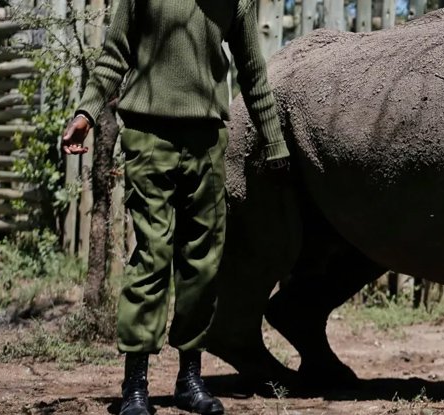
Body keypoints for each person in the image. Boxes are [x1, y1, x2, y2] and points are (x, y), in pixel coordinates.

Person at [61, 1, 289, 414]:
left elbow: (253, 72)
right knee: (152, 254)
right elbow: (115, 53)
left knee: (201, 260)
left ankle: (189, 378)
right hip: (149, 136)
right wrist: (87, 111)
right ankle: (135, 385)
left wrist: (273, 139)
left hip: (206, 141)